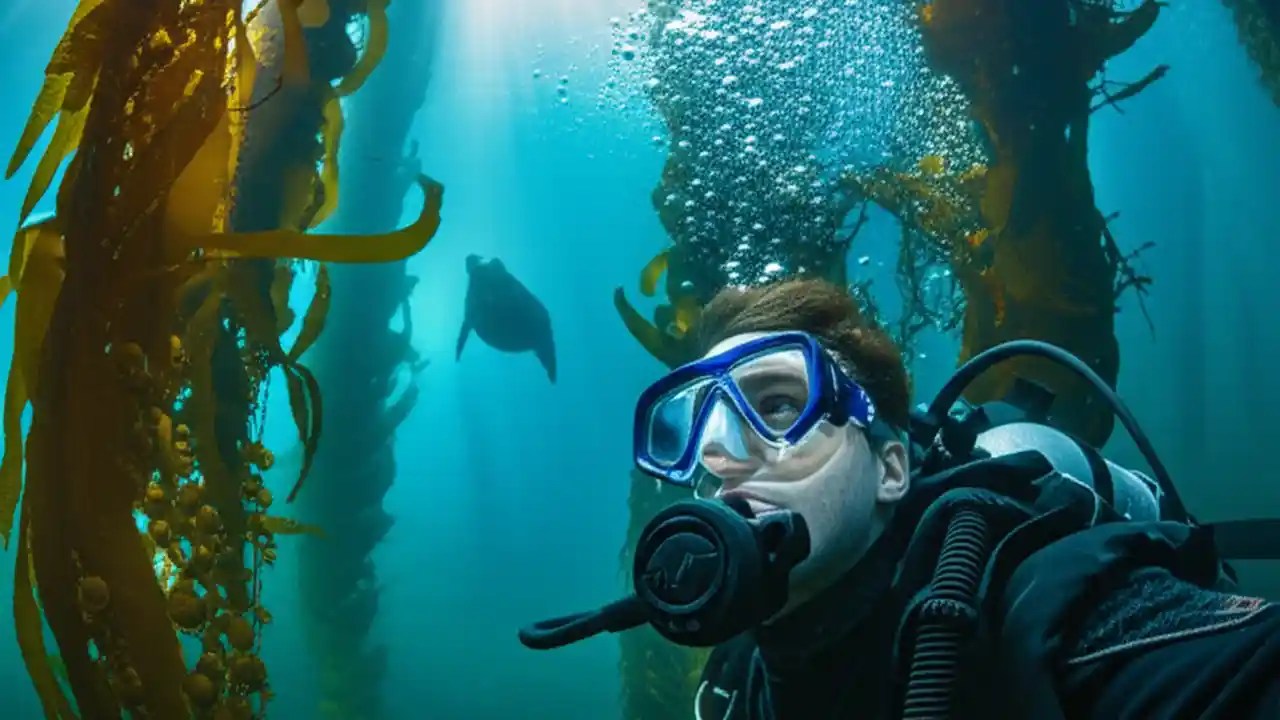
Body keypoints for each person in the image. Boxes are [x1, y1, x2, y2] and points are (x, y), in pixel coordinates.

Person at [629, 278, 1280, 719]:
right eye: (702, 425)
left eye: (774, 404)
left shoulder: (1047, 615)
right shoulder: (733, 686)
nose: (720, 455)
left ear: (890, 469)